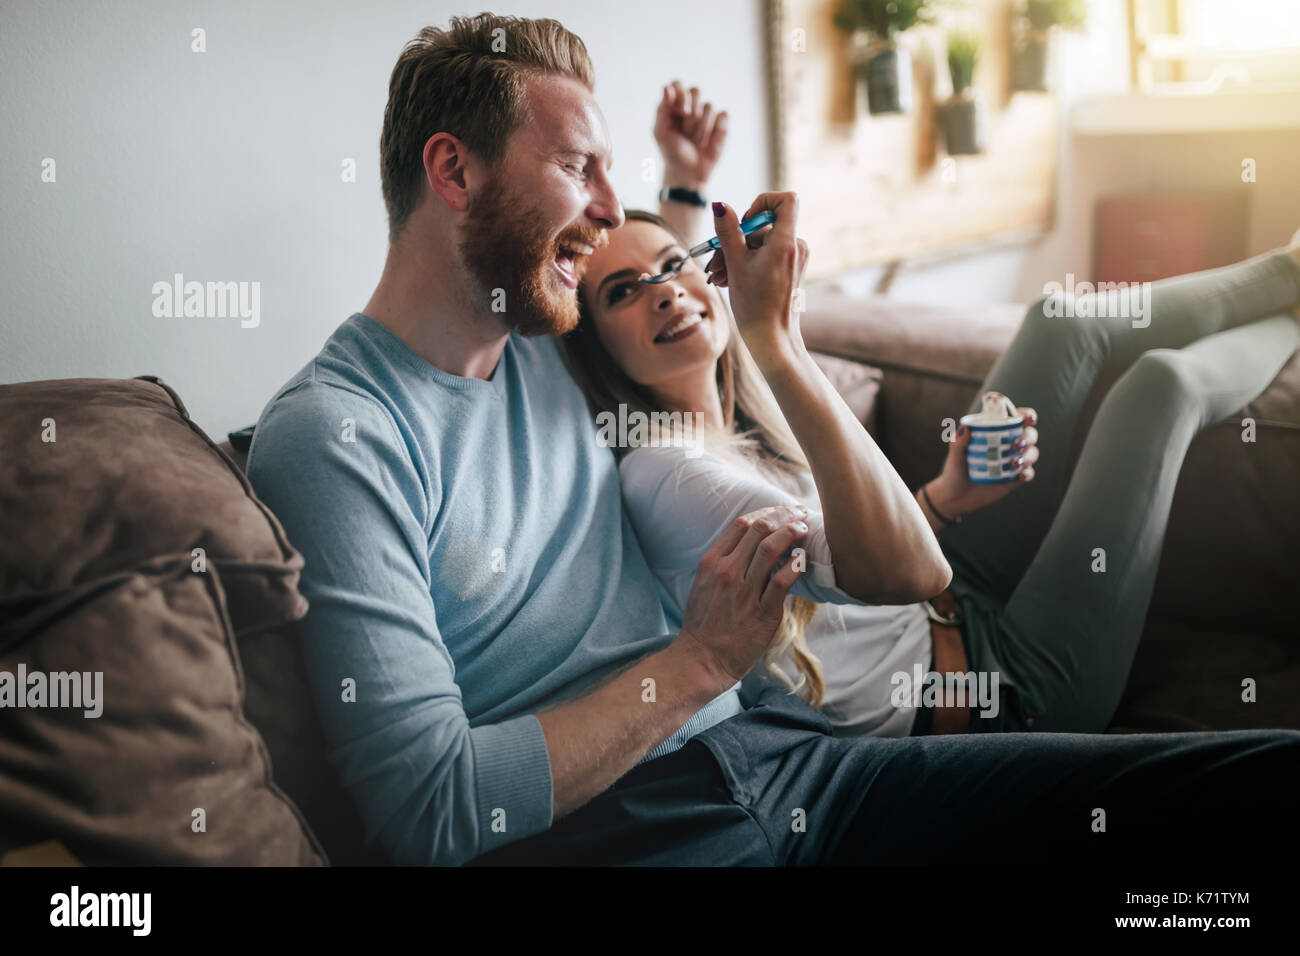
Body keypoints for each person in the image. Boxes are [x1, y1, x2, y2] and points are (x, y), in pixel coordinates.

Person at [246, 13, 1300, 867]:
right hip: (656, 822)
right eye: (577, 167)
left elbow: (640, 276)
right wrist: (699, 658)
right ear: (456, 171)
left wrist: (690, 197)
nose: (608, 208)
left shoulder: (542, 340)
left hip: (787, 754)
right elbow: (429, 808)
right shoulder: (341, 434)